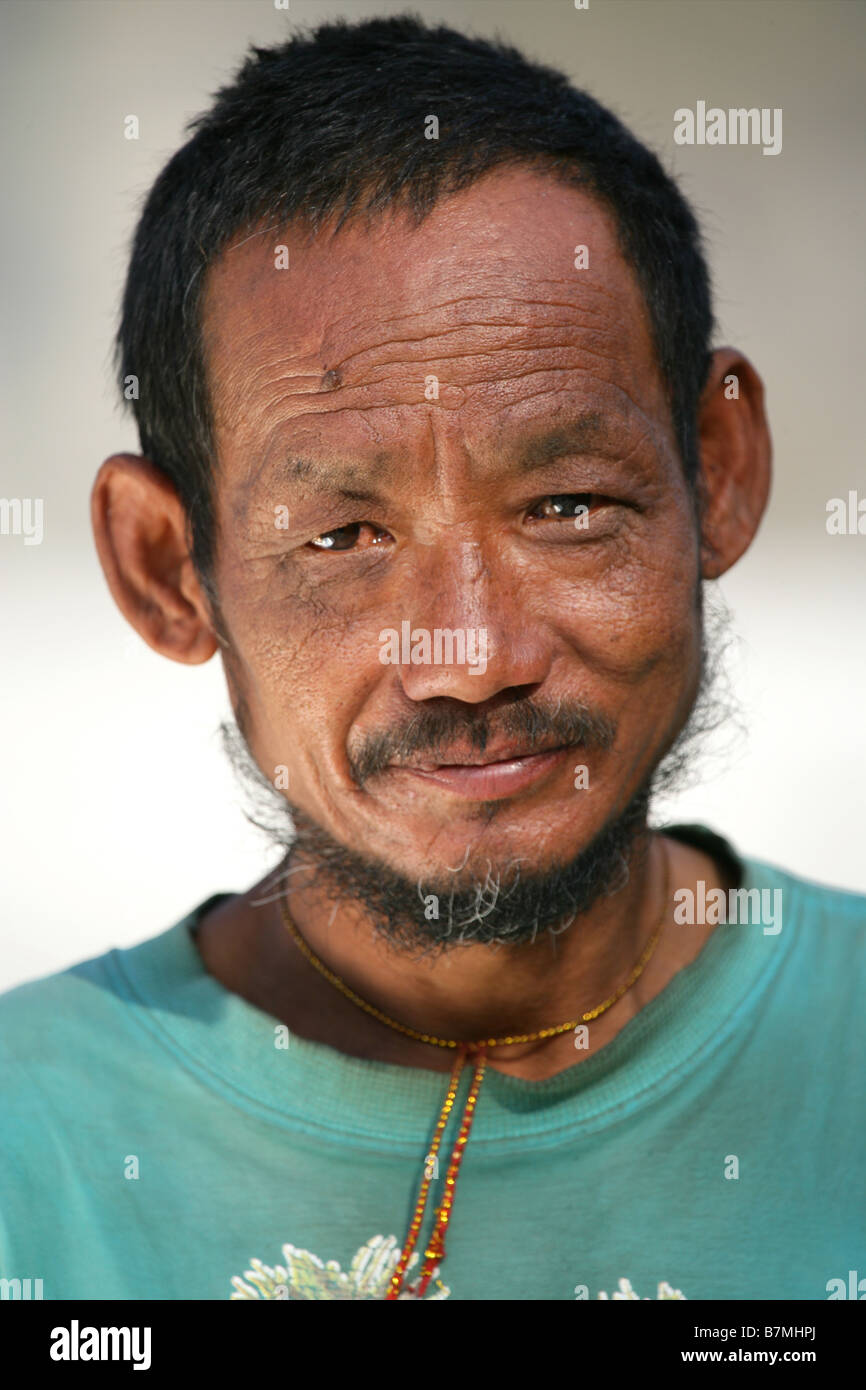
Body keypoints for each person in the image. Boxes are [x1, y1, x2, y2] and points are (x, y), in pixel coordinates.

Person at [2, 15, 863, 1303]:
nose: (473, 658)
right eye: (344, 536)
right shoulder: (34, 1161)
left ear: (719, 476)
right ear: (167, 572)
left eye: (568, 507)